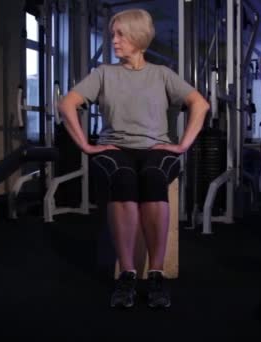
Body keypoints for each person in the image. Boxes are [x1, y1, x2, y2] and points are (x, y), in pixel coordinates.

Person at [58, 8, 209, 309]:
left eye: (120, 34)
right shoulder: (103, 73)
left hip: (157, 148)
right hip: (115, 148)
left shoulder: (163, 74)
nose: (114, 41)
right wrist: (86, 146)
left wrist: (182, 146)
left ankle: (155, 274)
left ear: (138, 37)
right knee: (123, 178)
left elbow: (200, 104)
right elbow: (67, 104)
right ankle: (126, 274)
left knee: (154, 178)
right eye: (113, 34)